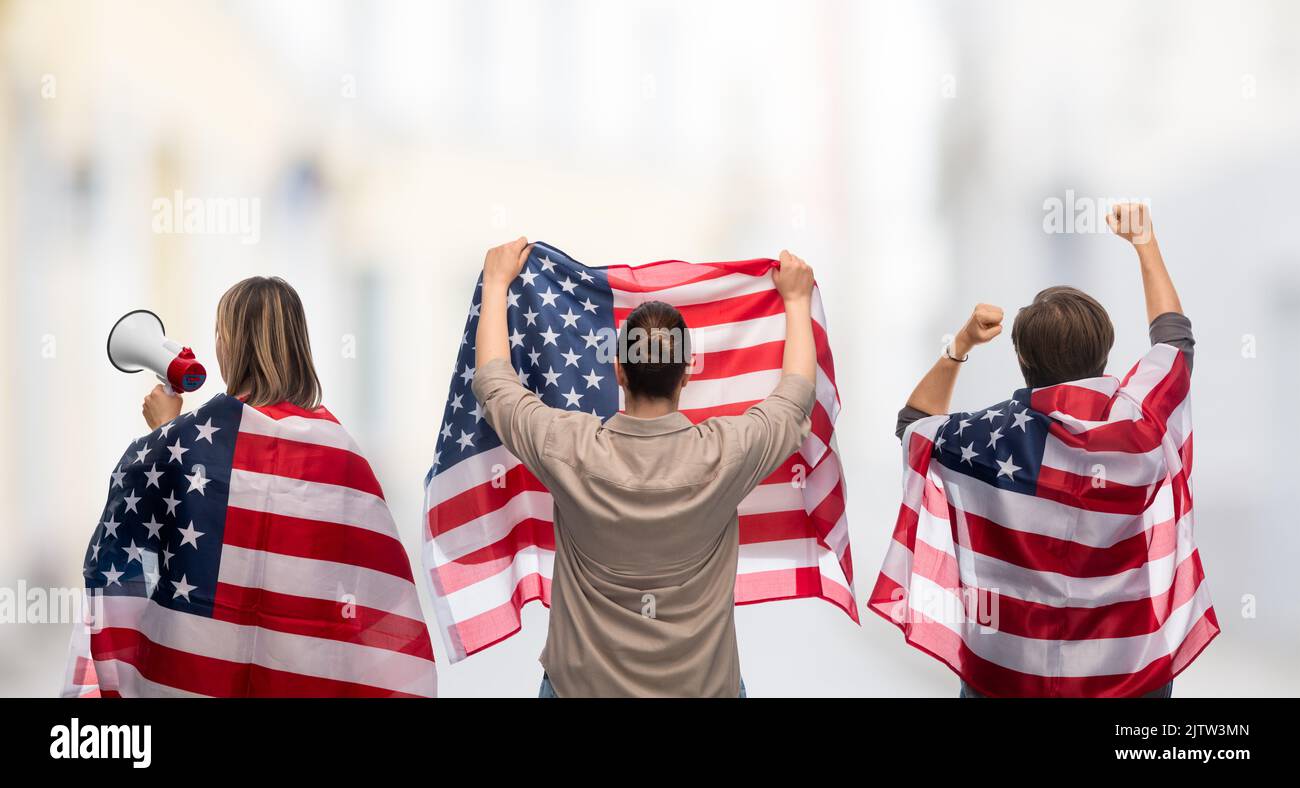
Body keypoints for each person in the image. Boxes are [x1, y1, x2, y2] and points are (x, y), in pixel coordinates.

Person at [471, 237, 819, 697]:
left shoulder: (568, 448)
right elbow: (794, 399)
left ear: (618, 370)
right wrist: (796, 301)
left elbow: (496, 387)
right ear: (688, 371)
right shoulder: (727, 453)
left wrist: (496, 285)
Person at [69, 276, 436, 698]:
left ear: (229, 342)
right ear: (298, 344)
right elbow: (376, 587)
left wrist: (165, 434)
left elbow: (135, 538)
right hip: (304, 672)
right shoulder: (341, 451)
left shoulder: (189, 443)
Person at [893, 203, 1195, 698]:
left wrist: (960, 345)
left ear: (1021, 358)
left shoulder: (980, 439)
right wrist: (1145, 242)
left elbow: (912, 424)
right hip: (1128, 677)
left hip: (1007, 678)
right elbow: (1175, 339)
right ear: (1105, 353)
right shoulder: (1141, 427)